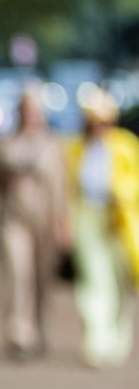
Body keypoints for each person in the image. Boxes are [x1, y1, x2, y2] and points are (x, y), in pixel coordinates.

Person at [0, 84, 68, 359]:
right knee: (17, 273)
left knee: (41, 279)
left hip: (46, 219)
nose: (32, 117)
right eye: (27, 111)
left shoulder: (53, 145)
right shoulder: (5, 143)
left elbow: (61, 187)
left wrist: (62, 223)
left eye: (36, 112)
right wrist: (6, 173)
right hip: (14, 219)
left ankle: (39, 327)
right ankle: (19, 334)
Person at [66, 89, 139, 369]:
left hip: (120, 222)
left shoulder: (126, 145)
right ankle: (97, 342)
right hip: (87, 218)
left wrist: (121, 193)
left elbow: (134, 183)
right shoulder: (76, 148)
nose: (100, 128)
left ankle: (118, 341)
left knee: (119, 283)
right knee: (95, 281)